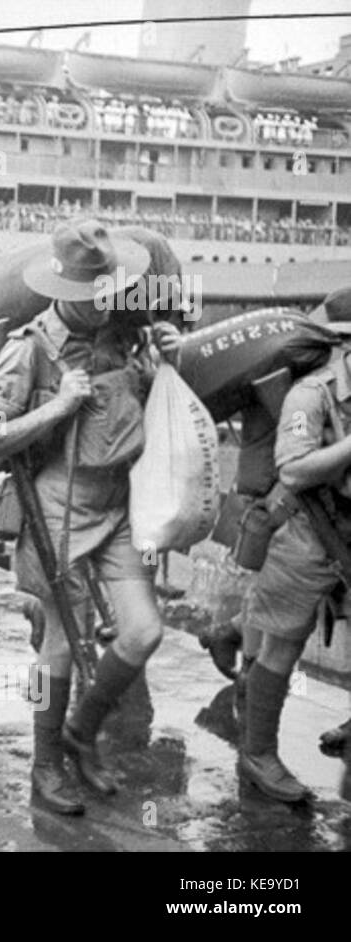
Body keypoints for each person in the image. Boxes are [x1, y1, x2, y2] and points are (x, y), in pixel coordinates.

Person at [0, 220, 180, 816]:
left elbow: (148, 404)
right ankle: (45, 765)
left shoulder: (124, 336)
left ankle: (81, 731)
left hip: (116, 507)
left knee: (143, 633)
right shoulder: (29, 348)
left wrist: (169, 359)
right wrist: (59, 406)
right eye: (91, 296)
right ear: (62, 290)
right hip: (56, 508)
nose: (102, 305)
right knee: (58, 647)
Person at [235, 290, 351, 801]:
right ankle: (257, 754)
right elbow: (293, 468)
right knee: (281, 647)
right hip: (309, 533)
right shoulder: (311, 394)